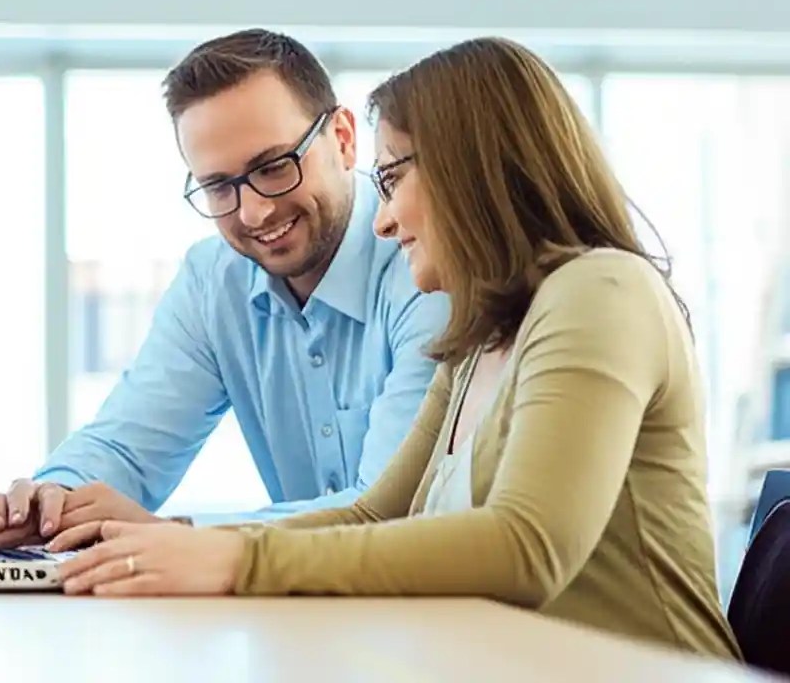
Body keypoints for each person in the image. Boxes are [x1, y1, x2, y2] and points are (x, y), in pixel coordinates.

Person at [49, 36, 742, 661]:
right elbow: (375, 514)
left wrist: (233, 561)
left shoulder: (600, 291)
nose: (381, 221)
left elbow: (525, 547)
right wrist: (187, 548)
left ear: (470, 170)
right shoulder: (480, 338)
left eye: (391, 181)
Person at [0, 29, 450, 548]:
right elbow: (132, 446)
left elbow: (389, 507)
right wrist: (56, 498)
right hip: (304, 613)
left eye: (274, 168)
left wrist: (175, 536)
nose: (255, 212)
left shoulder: (426, 264)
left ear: (342, 138)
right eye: (219, 186)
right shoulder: (214, 280)